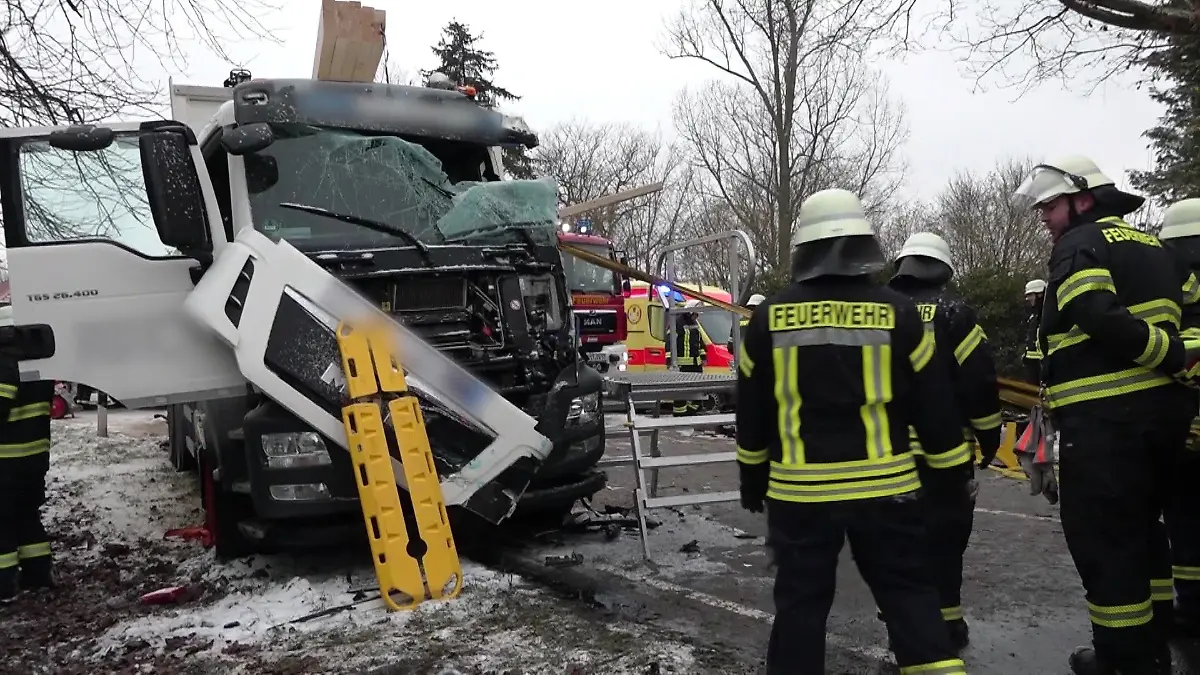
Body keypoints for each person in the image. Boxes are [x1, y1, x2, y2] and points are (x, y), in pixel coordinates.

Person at [736, 187, 970, 675]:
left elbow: (752, 412)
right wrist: (951, 475)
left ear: (805, 248)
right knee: (910, 598)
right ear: (864, 245)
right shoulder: (899, 313)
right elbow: (935, 407)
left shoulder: (769, 318)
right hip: (888, 490)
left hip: (801, 494)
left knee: (801, 608)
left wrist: (752, 480)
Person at [1014, 156, 1200, 675]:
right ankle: (1153, 641)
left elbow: (1092, 309)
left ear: (1083, 199)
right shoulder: (1161, 250)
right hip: (1164, 422)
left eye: (1050, 205)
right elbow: (1193, 317)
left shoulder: (1081, 242)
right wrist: (1181, 360)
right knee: (1144, 532)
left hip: (1106, 426)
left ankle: (1124, 660)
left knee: (1106, 544)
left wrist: (1164, 353)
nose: (1043, 216)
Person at [887, 231, 1003, 650]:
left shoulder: (877, 312)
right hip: (943, 455)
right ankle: (948, 625)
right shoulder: (954, 313)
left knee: (896, 540)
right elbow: (979, 381)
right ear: (943, 270)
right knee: (946, 539)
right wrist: (990, 438)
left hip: (884, 455)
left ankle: (902, 622)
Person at [1152, 197, 1200, 639]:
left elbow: (1177, 356)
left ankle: (1185, 607)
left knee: (1182, 519)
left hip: (1184, 429)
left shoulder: (1176, 286)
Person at [0, 305, 56, 603]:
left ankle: (4, 585)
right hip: (34, 458)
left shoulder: (4, 364)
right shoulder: (37, 363)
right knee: (26, 516)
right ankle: (37, 575)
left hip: (6, 460)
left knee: (3, 522)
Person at [671, 306, 705, 416]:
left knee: (698, 390)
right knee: (681, 391)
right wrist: (669, 359)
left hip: (696, 364)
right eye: (696, 314)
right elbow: (670, 340)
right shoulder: (677, 322)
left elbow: (699, 341)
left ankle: (691, 412)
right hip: (683, 364)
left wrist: (703, 356)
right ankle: (679, 414)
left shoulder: (694, 323)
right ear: (690, 313)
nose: (697, 317)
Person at [1023, 279, 1047, 385]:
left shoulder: (1047, 316)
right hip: (1032, 368)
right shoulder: (1033, 317)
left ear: (1040, 294)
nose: (1027, 299)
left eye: (1030, 295)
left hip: (1043, 367)